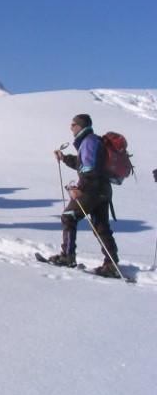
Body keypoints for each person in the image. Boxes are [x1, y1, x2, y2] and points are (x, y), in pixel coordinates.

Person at [51, 114, 119, 277]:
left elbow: (89, 168)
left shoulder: (89, 142)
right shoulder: (92, 141)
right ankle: (111, 264)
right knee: (101, 226)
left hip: (92, 188)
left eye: (73, 125)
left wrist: (80, 188)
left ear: (81, 126)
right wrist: (65, 158)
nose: (71, 128)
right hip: (103, 189)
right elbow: (83, 163)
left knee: (68, 216)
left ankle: (68, 256)